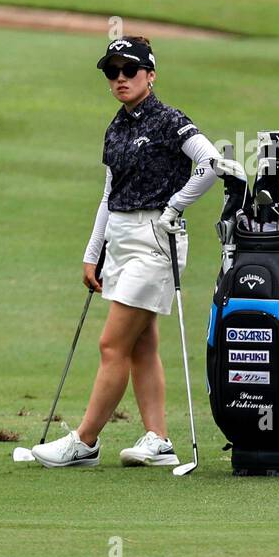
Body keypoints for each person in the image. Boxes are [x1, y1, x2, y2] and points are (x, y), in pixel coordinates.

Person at [32, 36, 219, 469]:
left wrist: (175, 206)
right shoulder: (116, 126)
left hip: (155, 239)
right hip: (119, 237)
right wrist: (92, 251)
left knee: (111, 344)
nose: (120, 78)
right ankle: (159, 439)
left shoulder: (170, 120)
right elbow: (108, 192)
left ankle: (85, 441)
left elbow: (211, 164)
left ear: (150, 75)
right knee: (141, 344)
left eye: (129, 70)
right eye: (112, 72)